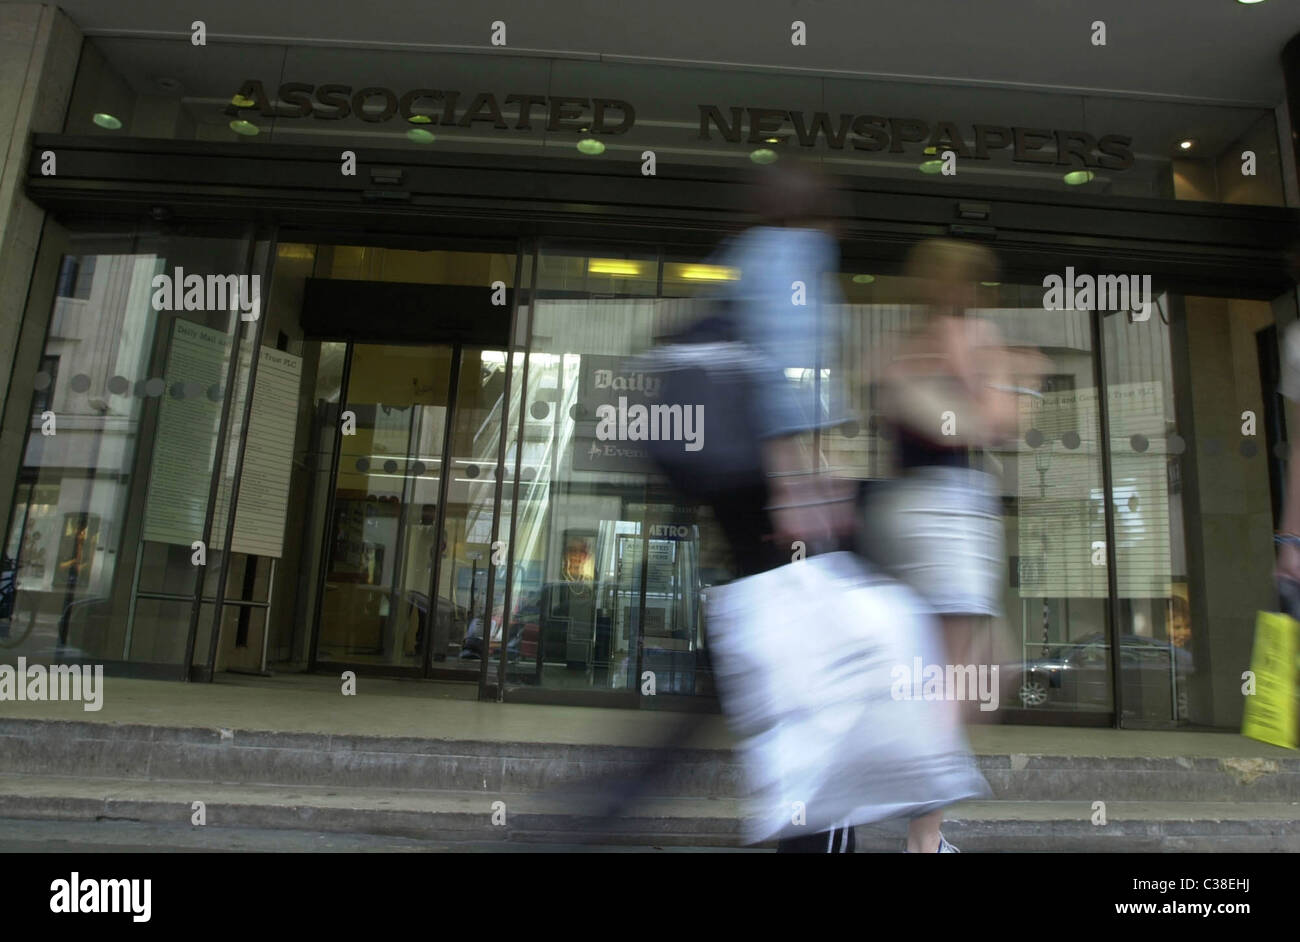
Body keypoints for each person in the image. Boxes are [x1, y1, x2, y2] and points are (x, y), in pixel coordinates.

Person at [869, 238, 1046, 852]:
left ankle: (921, 822)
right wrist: (1016, 381)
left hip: (905, 511)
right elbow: (997, 422)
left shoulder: (901, 346)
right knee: (957, 686)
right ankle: (924, 839)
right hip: (948, 513)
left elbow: (893, 401)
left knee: (961, 676)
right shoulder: (968, 337)